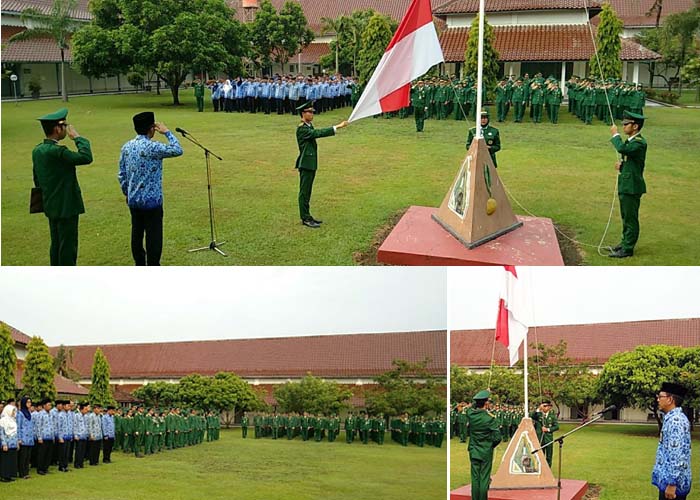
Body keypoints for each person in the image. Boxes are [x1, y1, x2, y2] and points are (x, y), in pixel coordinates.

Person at [118, 111, 183, 265]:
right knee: (154, 236)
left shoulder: (127, 147)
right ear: (151, 128)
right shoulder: (153, 147)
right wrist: (167, 133)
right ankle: (153, 265)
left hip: (134, 199)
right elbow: (177, 149)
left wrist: (127, 192)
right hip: (152, 200)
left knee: (137, 233)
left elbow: (122, 174)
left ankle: (139, 263)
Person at [32, 108, 94, 265]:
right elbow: (86, 157)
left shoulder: (37, 150)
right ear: (57, 128)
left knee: (56, 243)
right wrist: (78, 138)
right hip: (66, 206)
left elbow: (37, 178)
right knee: (68, 246)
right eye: (64, 126)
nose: (66, 130)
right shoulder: (59, 152)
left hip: (50, 204)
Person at [294, 101, 348, 228]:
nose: (312, 114)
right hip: (306, 164)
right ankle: (305, 217)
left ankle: (307, 215)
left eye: (312, 112)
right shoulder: (302, 129)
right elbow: (318, 133)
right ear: (303, 113)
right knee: (304, 192)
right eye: (309, 112)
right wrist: (337, 126)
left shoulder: (308, 126)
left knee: (308, 191)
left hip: (310, 163)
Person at [609, 111, 647, 258]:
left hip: (632, 186)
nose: (623, 126)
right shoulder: (632, 141)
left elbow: (623, 149)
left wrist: (615, 135)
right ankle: (624, 243)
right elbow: (632, 161)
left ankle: (628, 248)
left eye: (626, 124)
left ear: (635, 126)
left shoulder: (639, 142)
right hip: (626, 184)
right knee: (626, 216)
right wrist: (622, 166)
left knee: (631, 218)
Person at [652, 383, 692, 500]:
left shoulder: (676, 421)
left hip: (673, 486)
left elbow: (677, 454)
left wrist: (672, 483)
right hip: (668, 481)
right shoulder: (671, 418)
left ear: (670, 399)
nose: (658, 399)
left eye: (660, 397)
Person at [466, 390, 502, 500]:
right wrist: (490, 445)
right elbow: (497, 438)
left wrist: (483, 394)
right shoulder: (490, 418)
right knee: (484, 478)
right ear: (486, 403)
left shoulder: (471, 414)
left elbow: (471, 407)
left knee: (475, 478)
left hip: (474, 449)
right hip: (486, 451)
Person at [531, 400, 559, 467]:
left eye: (546, 406)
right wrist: (538, 409)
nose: (544, 407)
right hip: (540, 438)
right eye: (543, 406)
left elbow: (556, 427)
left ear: (549, 407)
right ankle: (541, 468)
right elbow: (532, 416)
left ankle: (548, 469)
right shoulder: (538, 415)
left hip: (548, 438)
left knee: (549, 456)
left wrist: (548, 429)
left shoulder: (552, 416)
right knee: (540, 455)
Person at [0, 404, 19, 482]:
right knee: (5, 461)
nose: (14, 413)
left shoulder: (13, 421)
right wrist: (4, 444)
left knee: (12, 460)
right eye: (12, 411)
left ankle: (10, 475)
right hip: (6, 444)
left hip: (13, 444)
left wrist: (17, 442)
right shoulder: (2, 420)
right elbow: (1, 433)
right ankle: (4, 476)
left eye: (14, 411)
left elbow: (15, 433)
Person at [16, 397, 33, 479]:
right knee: (22, 457)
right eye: (28, 402)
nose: (29, 404)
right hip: (23, 438)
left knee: (27, 457)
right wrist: (19, 438)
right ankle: (22, 473)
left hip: (29, 439)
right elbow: (18, 426)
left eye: (30, 402)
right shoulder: (20, 413)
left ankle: (26, 472)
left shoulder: (29, 413)